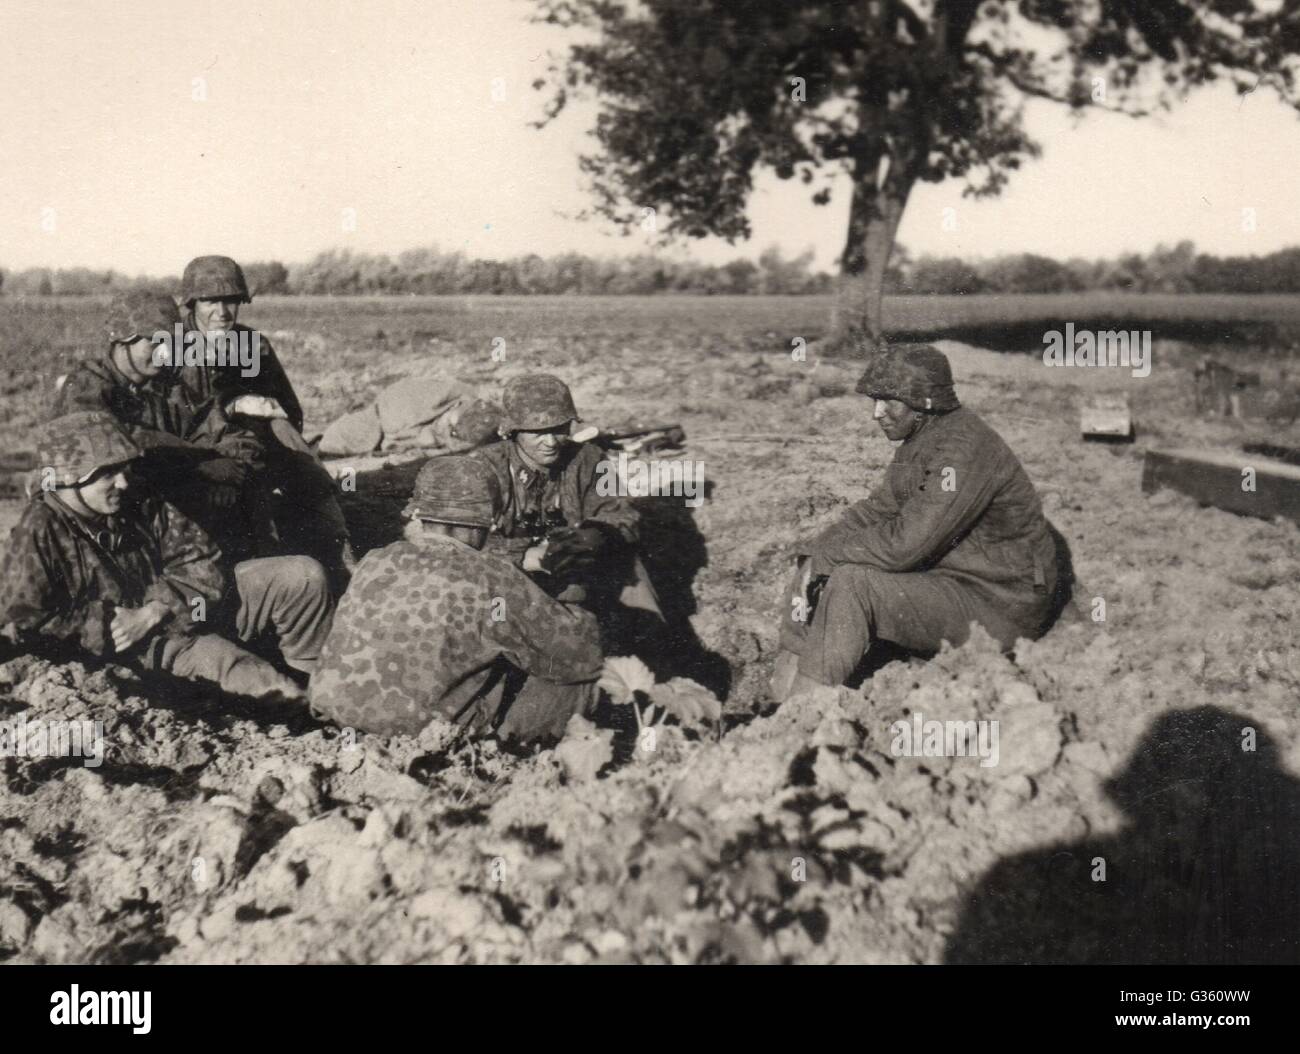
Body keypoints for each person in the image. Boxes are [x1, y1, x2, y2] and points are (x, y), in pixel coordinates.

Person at [772, 343, 1059, 701]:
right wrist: (817, 554)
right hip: (953, 581)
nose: (877, 413)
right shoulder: (923, 438)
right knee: (812, 567)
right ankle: (779, 705)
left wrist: (831, 557)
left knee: (852, 584)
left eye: (888, 402)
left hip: (998, 605)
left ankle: (800, 717)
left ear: (923, 403)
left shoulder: (963, 451)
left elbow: (905, 546)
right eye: (874, 401)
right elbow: (878, 509)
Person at [0, 412, 333, 700]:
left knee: (302, 576)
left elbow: (201, 560)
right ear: (68, 478)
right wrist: (105, 625)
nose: (124, 482)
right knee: (268, 686)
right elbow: (23, 620)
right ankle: (309, 714)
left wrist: (155, 609)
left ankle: (313, 675)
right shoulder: (39, 529)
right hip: (148, 650)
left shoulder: (139, 498)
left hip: (182, 611)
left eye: (125, 468)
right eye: (107, 473)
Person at [309, 456, 602, 742]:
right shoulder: (492, 576)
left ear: (418, 513)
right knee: (582, 682)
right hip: (426, 736)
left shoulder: (376, 560)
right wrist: (572, 604)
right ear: (492, 520)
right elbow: (582, 653)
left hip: (337, 718)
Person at [174, 255, 354, 589]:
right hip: (197, 453)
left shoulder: (253, 345)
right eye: (211, 301)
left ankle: (338, 561)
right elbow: (177, 419)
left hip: (252, 444)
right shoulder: (171, 348)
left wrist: (269, 418)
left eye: (231, 301)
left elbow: (289, 411)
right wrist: (232, 406)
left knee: (307, 473)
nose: (222, 312)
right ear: (192, 303)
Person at [52, 288, 264, 541]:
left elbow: (220, 429)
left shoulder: (169, 385)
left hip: (168, 515)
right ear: (121, 340)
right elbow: (115, 451)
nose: (166, 353)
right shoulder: (87, 387)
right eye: (155, 343)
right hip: (110, 522)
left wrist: (230, 473)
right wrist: (200, 466)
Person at [471, 373, 664, 649]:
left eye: (559, 429)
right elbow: (453, 538)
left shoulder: (588, 459)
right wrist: (525, 556)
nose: (550, 442)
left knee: (627, 565)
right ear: (513, 431)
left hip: (574, 571)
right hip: (507, 578)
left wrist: (596, 535)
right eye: (537, 432)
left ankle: (654, 654)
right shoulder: (484, 467)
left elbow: (621, 513)